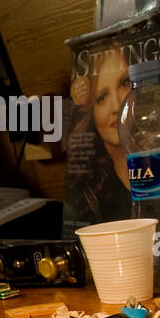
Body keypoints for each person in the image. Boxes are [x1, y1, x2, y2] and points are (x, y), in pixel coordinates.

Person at [63, 42, 133, 235]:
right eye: (101, 98)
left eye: (124, 83)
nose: (117, 106)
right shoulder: (85, 198)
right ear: (90, 113)